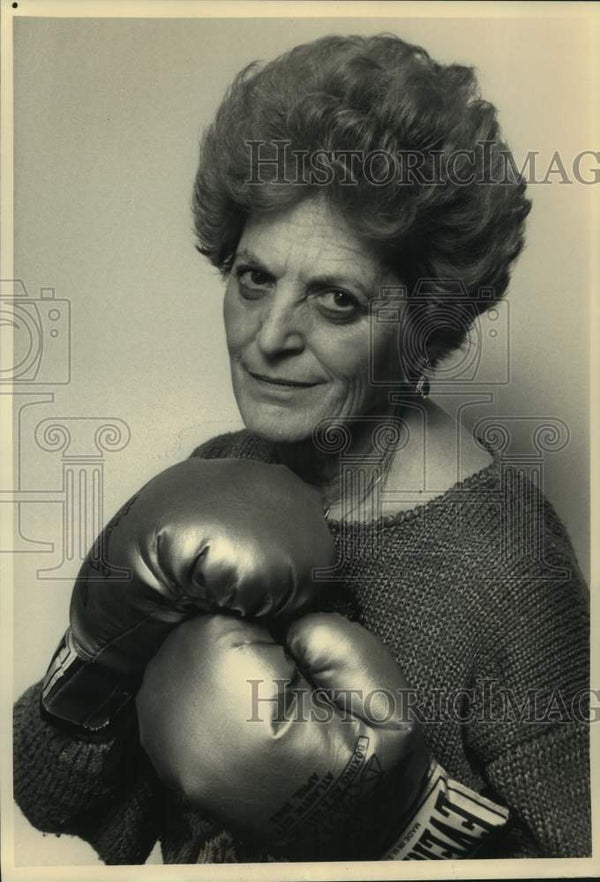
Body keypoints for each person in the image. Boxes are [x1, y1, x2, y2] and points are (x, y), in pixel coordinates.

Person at [13, 33, 590, 864]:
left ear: (423, 324)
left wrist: (395, 821)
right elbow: (52, 796)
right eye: (255, 279)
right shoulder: (213, 477)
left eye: (336, 299)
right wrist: (94, 658)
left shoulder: (509, 567)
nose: (271, 336)